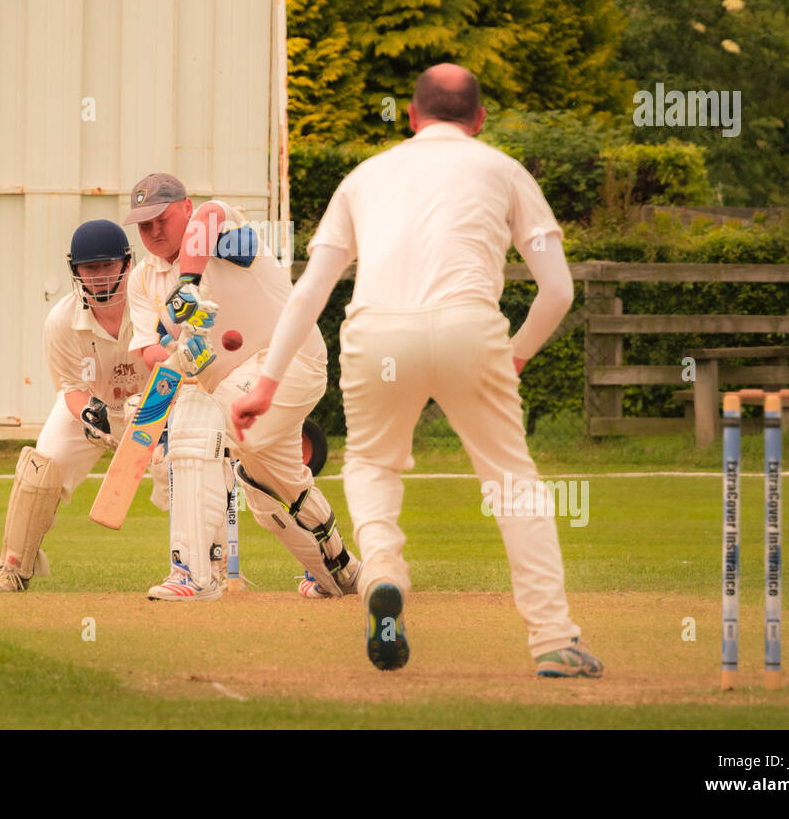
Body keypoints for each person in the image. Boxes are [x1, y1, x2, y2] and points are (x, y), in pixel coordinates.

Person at [232, 64, 603, 677]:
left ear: (412, 116)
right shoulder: (503, 170)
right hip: (469, 329)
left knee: (373, 464)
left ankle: (382, 574)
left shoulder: (366, 176)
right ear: (480, 119)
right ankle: (553, 640)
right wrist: (512, 357)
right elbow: (557, 291)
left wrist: (266, 385)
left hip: (378, 333)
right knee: (513, 482)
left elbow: (308, 293)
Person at [122, 173, 360, 600]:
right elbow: (149, 353)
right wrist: (180, 351)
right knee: (270, 489)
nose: (155, 231)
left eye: (162, 218)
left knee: (196, 427)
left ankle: (194, 574)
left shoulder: (218, 225)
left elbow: (209, 219)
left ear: (185, 207)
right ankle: (341, 571)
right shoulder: (141, 281)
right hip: (235, 386)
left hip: (289, 361)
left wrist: (189, 284)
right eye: (144, 225)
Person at [0, 219, 155, 592]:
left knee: (192, 463)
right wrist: (90, 415)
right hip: (92, 410)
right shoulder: (61, 320)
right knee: (40, 470)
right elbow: (71, 388)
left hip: (154, 407)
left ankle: (206, 566)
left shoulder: (152, 302)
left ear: (127, 263)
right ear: (75, 271)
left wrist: (158, 408)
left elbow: (171, 362)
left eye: (108, 265)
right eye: (89, 268)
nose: (99, 276)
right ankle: (13, 568)